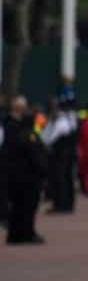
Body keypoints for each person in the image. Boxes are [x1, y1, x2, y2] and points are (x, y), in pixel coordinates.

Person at [3, 97, 48, 244]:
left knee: (17, 207)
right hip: (29, 177)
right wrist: (43, 171)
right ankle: (27, 234)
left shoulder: (12, 129)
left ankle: (14, 235)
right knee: (28, 207)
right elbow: (36, 156)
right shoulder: (29, 135)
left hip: (14, 175)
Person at [42, 96, 78, 215]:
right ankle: (61, 204)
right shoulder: (57, 120)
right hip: (60, 156)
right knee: (59, 179)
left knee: (60, 180)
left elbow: (50, 139)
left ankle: (62, 205)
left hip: (62, 156)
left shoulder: (62, 121)